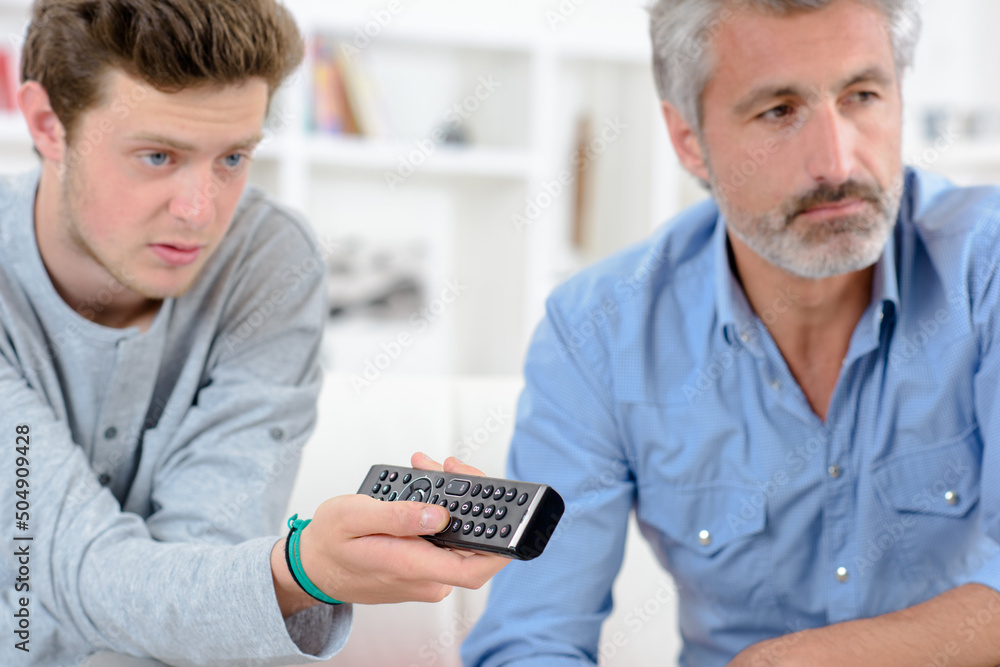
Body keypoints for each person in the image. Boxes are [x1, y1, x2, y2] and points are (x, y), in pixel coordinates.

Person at [462, 0, 1000, 665]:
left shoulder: (988, 268)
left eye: (862, 95)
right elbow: (533, 636)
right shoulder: (598, 330)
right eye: (778, 111)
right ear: (689, 138)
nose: (835, 161)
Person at [0, 1, 505, 664]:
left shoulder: (269, 262)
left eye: (233, 157)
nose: (199, 211)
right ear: (46, 124)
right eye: (157, 155)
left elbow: (200, 559)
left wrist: (289, 573)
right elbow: (77, 572)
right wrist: (298, 570)